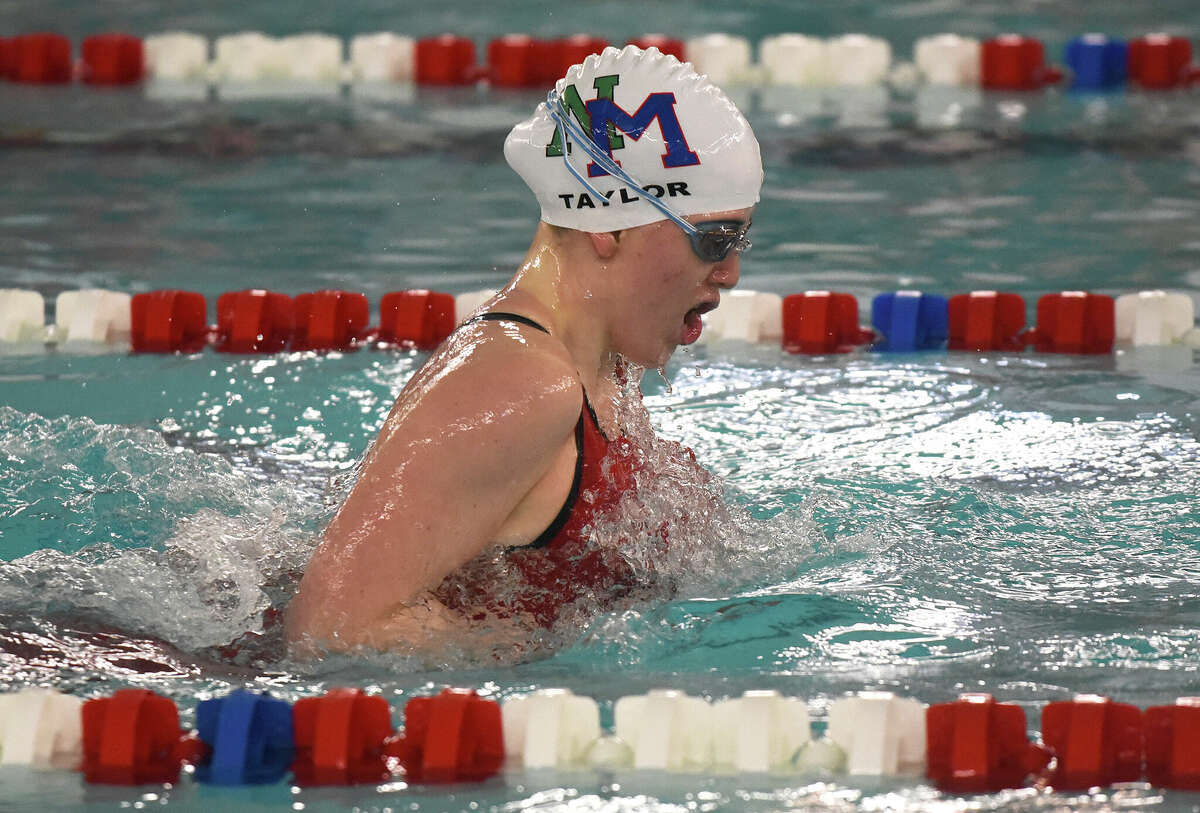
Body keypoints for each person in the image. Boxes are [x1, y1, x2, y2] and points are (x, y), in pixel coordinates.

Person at [285, 45, 763, 654]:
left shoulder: (605, 364)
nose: (730, 273)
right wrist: (554, 650)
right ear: (611, 227)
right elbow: (329, 632)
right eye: (714, 239)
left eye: (742, 237)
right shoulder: (521, 384)